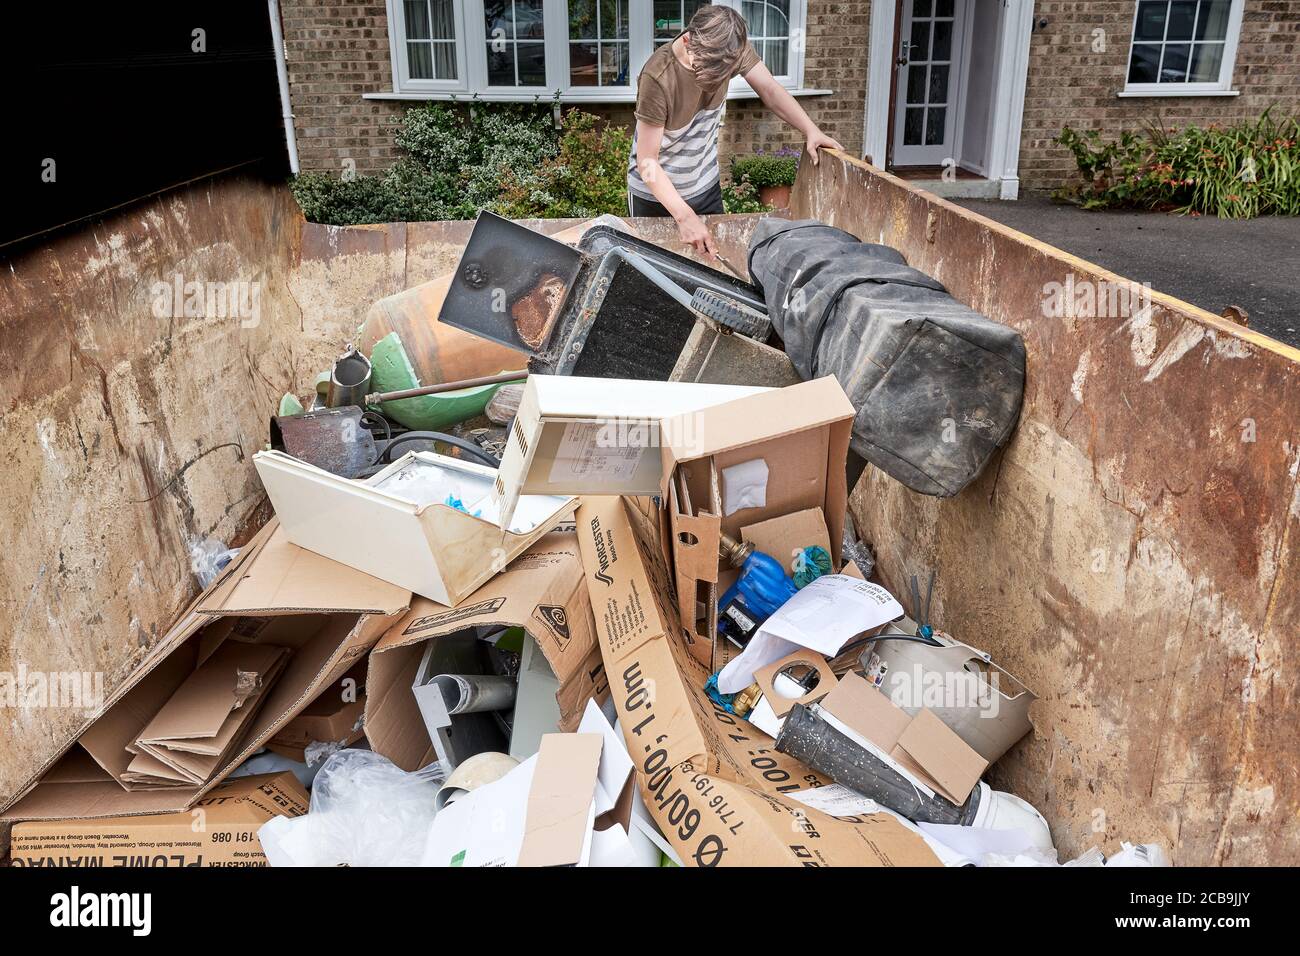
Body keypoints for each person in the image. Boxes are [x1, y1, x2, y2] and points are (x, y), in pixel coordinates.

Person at [627, 5, 843, 259]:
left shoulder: (730, 48)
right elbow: (647, 161)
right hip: (656, 198)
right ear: (687, 40)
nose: (714, 83)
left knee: (712, 272)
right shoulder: (658, 77)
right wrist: (684, 217)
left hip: (704, 185)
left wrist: (810, 130)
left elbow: (770, 90)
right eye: (704, 70)